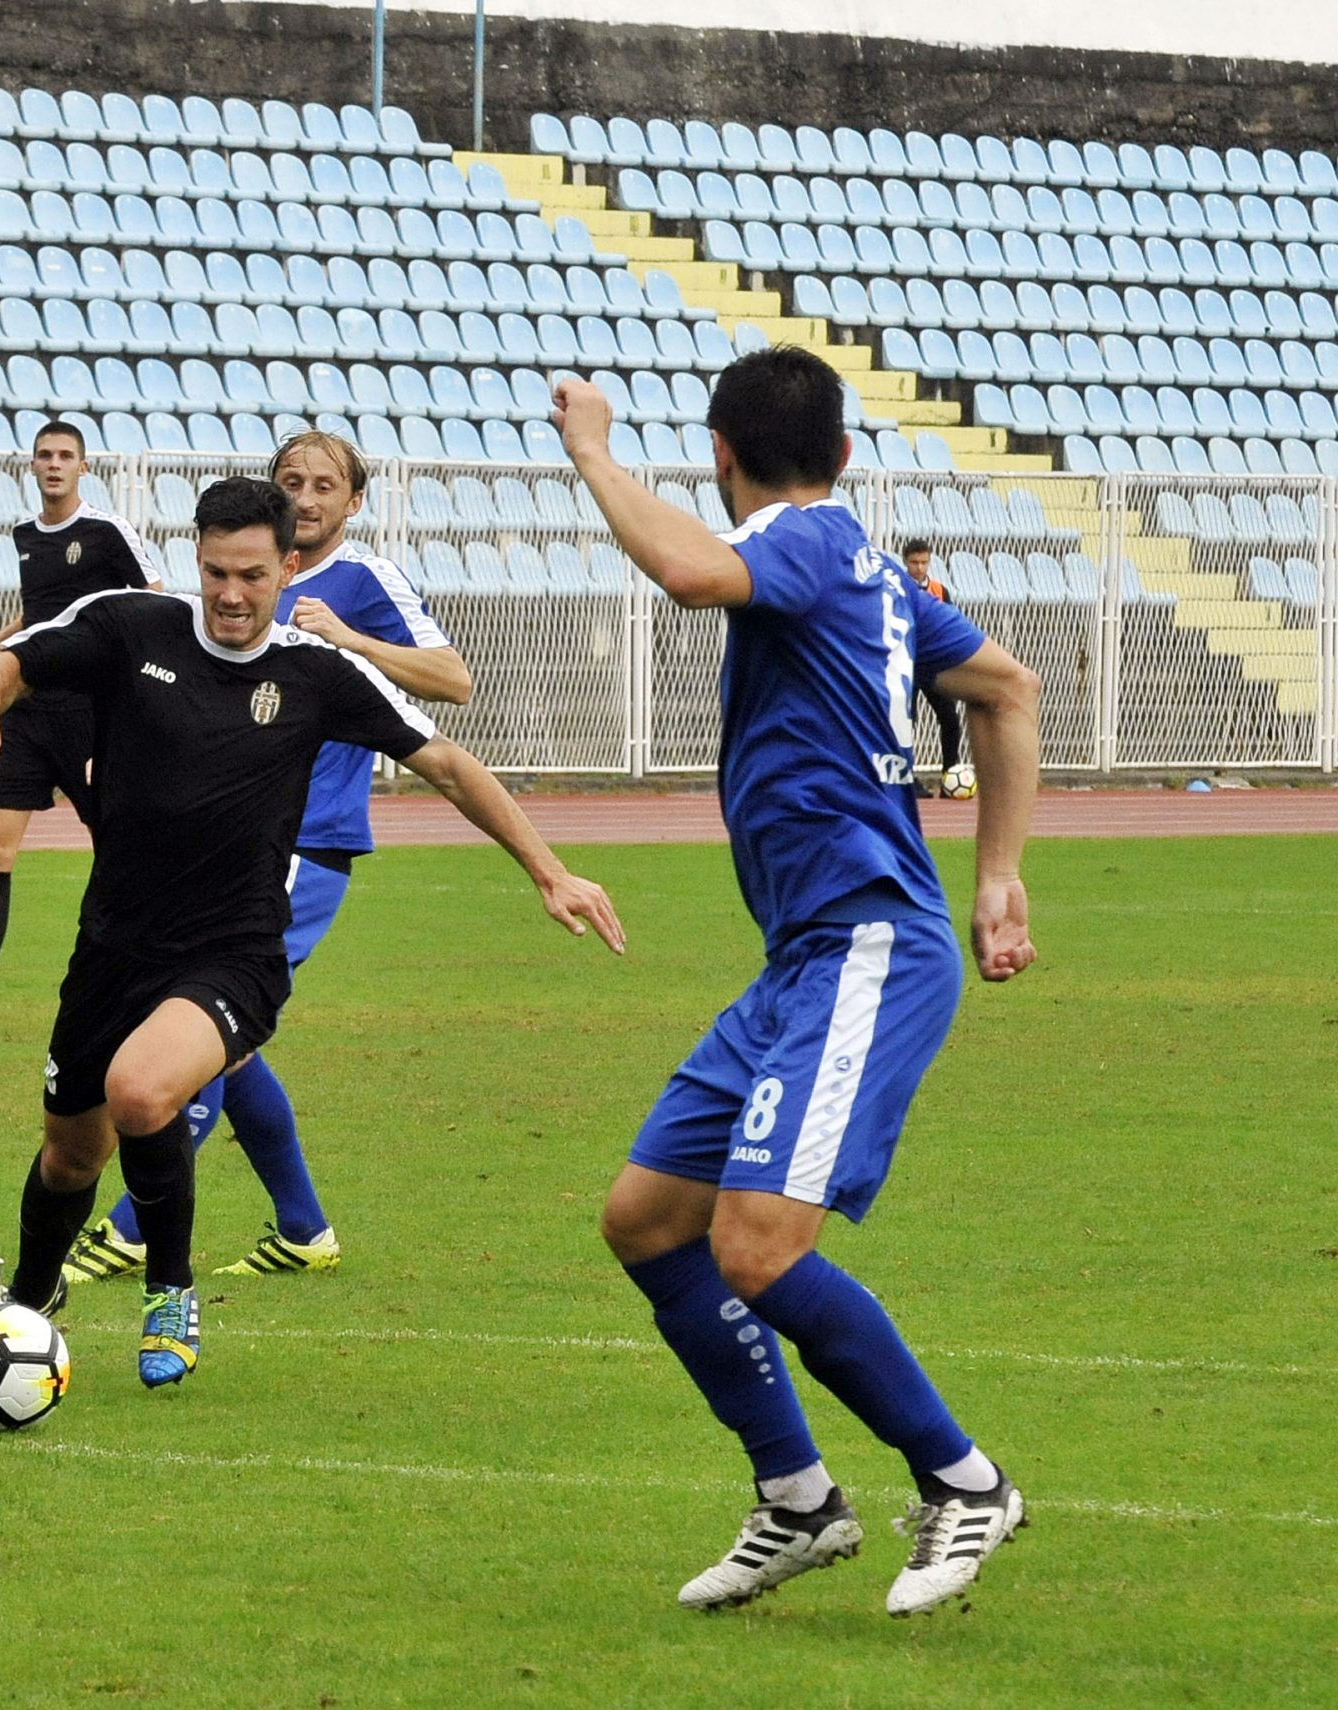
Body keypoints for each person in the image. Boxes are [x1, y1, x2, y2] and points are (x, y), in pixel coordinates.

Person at [0, 478, 623, 1388]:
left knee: (142, 1094)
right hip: (112, 947)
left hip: (235, 953)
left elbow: (448, 764)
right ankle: (29, 1297)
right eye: (217, 571)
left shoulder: (316, 672)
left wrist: (550, 869)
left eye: (252, 575)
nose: (231, 593)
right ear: (197, 561)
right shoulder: (133, 626)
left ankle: (169, 1289)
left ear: (289, 568)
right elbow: (16, 655)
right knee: (71, 1155)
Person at [554, 350, 1043, 1618]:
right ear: (842, 450)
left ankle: (963, 1481)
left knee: (757, 1249)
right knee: (647, 1221)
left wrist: (596, 453)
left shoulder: (810, 544)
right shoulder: (866, 565)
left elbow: (687, 570)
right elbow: (1004, 687)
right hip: (803, 960)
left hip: (864, 948)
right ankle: (798, 1502)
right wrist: (999, 875)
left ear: (721, 452)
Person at [63, 431, 474, 1285]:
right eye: (294, 480)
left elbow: (452, 677)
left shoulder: (362, 582)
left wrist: (352, 642)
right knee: (231, 1041)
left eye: (328, 483)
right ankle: (303, 1226)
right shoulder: (241, 583)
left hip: (302, 843)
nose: (311, 494)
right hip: (226, 848)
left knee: (199, 1025)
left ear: (354, 503)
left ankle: (136, 1228)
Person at [0, 418, 162, 1029]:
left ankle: (147, 970)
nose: (54, 464)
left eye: (65, 456)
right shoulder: (26, 536)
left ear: (83, 467)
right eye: (44, 455)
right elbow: (35, 618)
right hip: (28, 712)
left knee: (120, 843)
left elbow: (157, 602)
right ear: (31, 466)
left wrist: (130, 694)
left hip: (88, 714)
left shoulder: (107, 532)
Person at [899, 539, 967, 791]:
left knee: (949, 717)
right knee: (907, 722)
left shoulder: (939, 590)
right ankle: (908, 777)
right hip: (906, 664)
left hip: (933, 664)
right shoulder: (898, 587)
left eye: (924, 562)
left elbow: (949, 623)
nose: (919, 567)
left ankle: (951, 774)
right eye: (914, 562)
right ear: (905, 561)